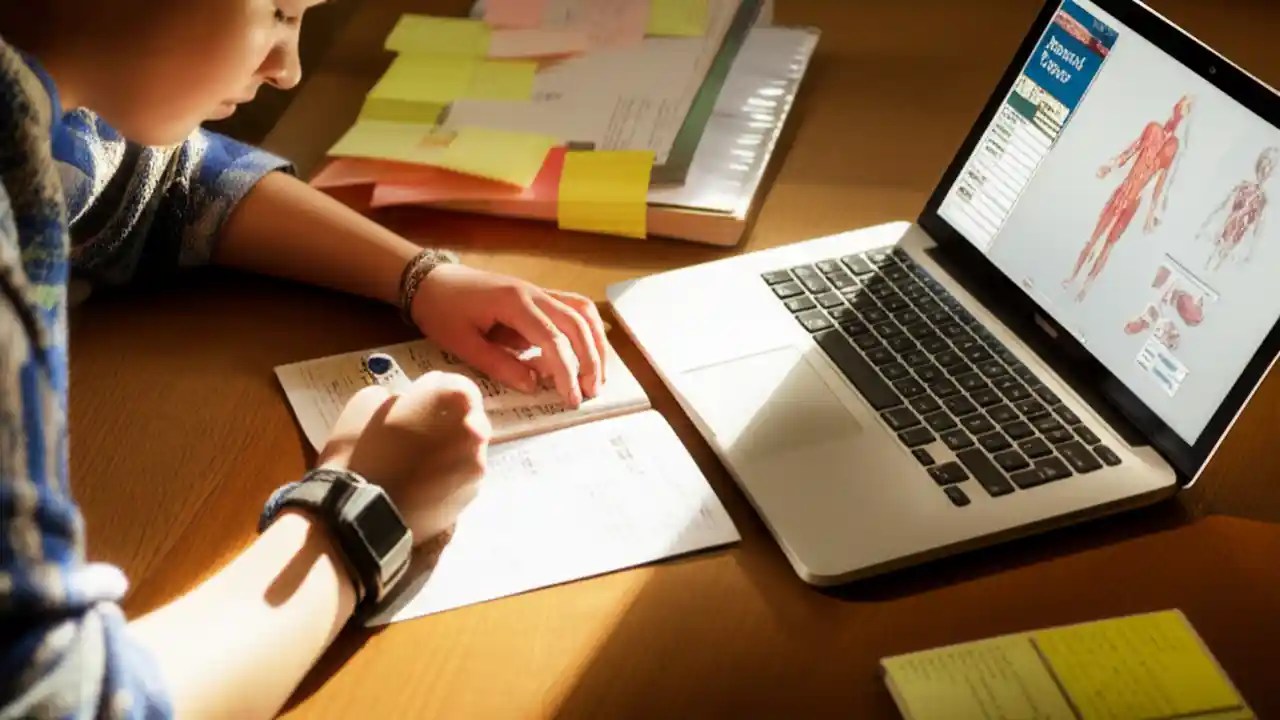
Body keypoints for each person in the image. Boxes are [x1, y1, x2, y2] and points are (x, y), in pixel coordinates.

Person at [0, 1, 608, 718]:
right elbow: (58, 702)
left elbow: (160, 187)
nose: (285, 69)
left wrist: (420, 279)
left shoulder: (41, 112)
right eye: (279, 10)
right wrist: (360, 509)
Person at [1063, 95, 1193, 302]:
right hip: (1122, 192)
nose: (1179, 115)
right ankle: (1072, 276)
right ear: (1174, 108)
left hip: (1134, 201)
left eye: (1185, 112)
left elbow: (1162, 179)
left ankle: (1085, 288)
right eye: (1180, 109)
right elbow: (1132, 149)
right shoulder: (1153, 129)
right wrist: (1111, 165)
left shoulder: (1173, 145)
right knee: (1096, 236)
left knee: (1109, 244)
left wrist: (1151, 212)